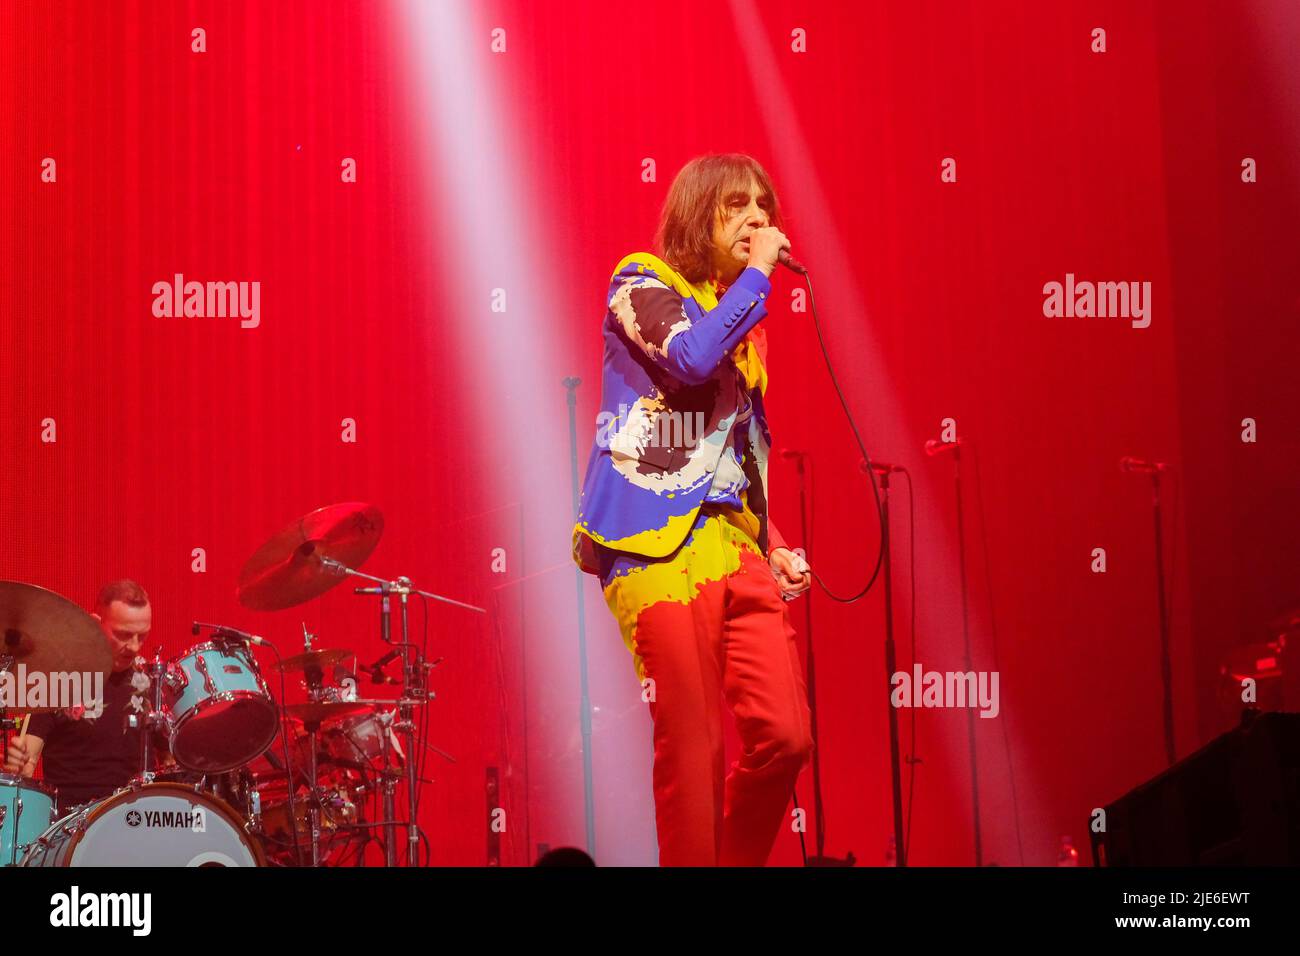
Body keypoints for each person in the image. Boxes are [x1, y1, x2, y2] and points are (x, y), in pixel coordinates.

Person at [572, 154, 815, 866]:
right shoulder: (640, 281)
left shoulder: (744, 327)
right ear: (696, 210)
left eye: (764, 207)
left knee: (787, 735)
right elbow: (689, 356)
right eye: (737, 204)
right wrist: (758, 277)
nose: (758, 218)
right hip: (653, 545)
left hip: (734, 546)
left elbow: (732, 459)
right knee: (694, 739)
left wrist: (773, 541)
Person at [4, 579, 156, 808]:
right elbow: (27, 761)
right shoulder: (59, 678)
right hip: (73, 820)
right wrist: (18, 763)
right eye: (123, 635)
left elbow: (172, 765)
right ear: (95, 623)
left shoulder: (151, 680)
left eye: (142, 636)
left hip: (140, 816)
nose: (134, 646)